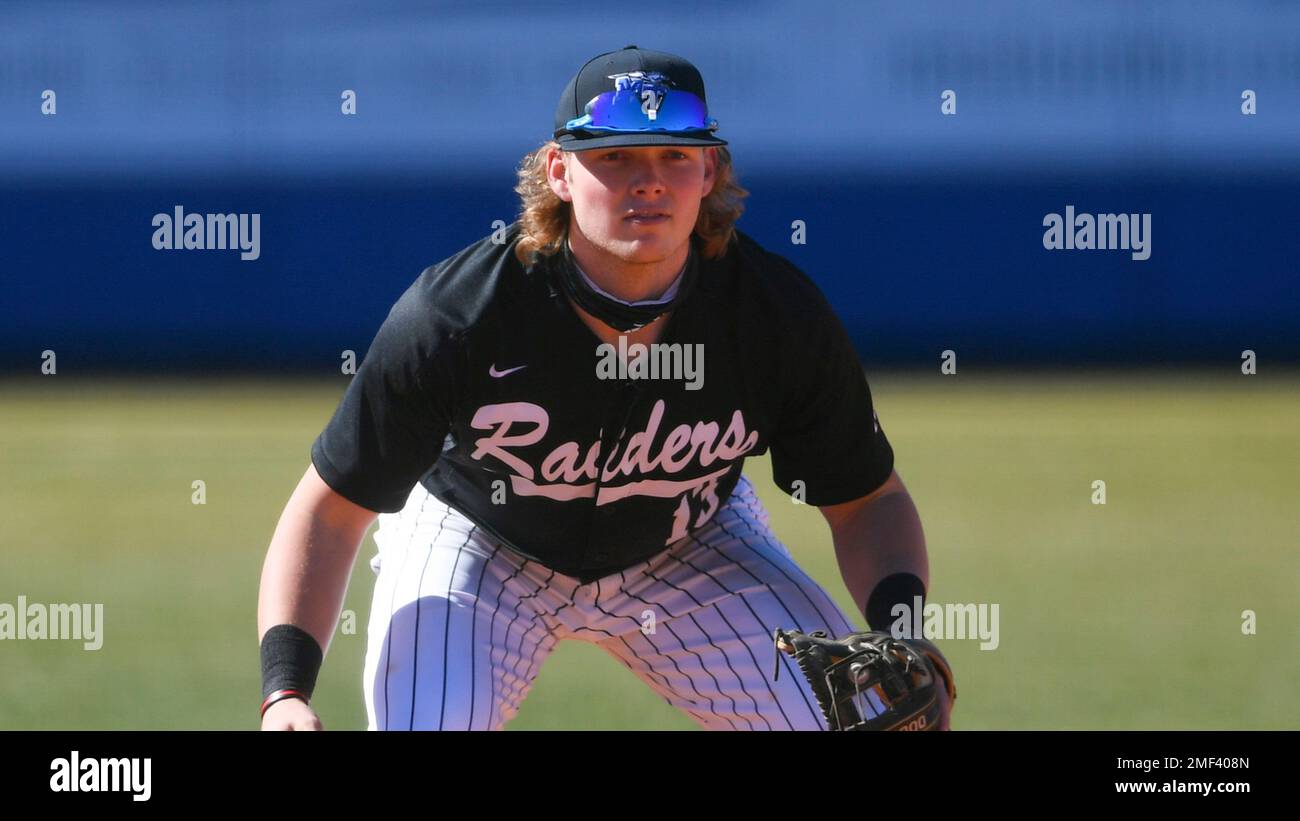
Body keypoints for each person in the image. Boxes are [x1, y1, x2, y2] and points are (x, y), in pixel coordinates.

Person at [257, 45, 950, 731]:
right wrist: (285, 691)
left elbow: (868, 501)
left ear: (709, 170)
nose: (648, 180)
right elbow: (329, 507)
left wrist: (905, 629)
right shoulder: (460, 316)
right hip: (479, 541)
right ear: (559, 171)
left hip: (690, 545)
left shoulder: (772, 316)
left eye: (674, 155)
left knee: (868, 716)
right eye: (615, 155)